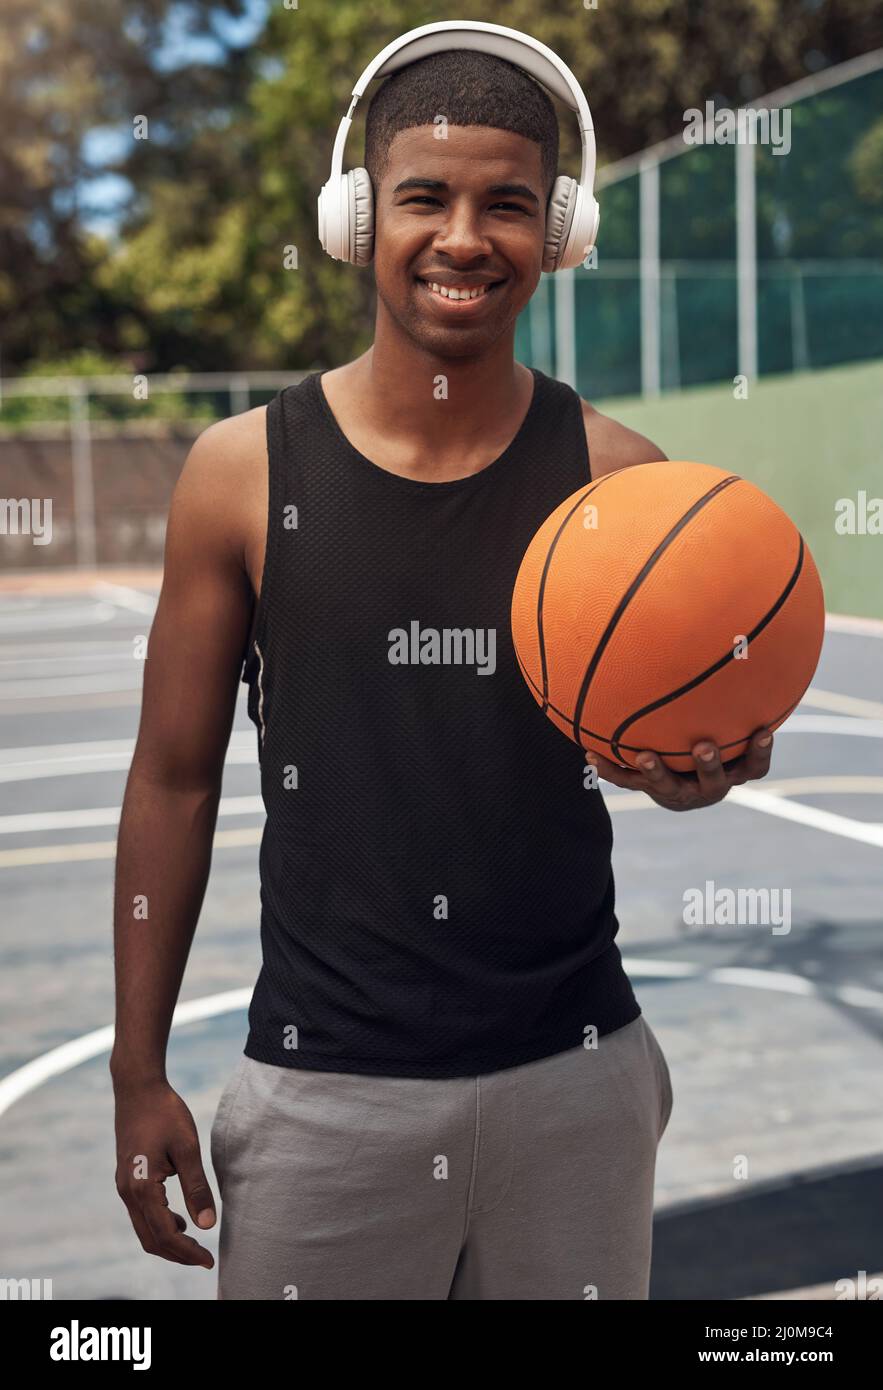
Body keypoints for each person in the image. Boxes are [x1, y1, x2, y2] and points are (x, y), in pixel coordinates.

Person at [112, 25, 774, 1300]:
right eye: (424, 196)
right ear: (358, 217)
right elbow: (173, 779)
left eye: (508, 205)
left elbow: (641, 732)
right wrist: (137, 1069)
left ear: (559, 233)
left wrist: (696, 764)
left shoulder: (619, 478)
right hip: (324, 1095)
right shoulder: (242, 475)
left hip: (572, 1077)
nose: (464, 237)